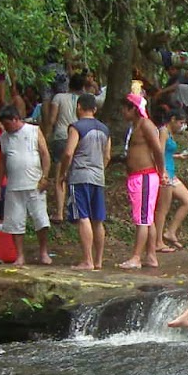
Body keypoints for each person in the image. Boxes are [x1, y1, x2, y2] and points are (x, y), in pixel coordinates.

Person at [62, 93, 111, 271]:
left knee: (83, 217)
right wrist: (99, 169)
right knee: (98, 219)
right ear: (95, 109)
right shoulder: (105, 129)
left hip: (80, 176)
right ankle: (98, 261)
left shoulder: (76, 127)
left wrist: (63, 172)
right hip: (98, 176)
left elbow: (68, 152)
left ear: (79, 107)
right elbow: (107, 155)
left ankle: (87, 260)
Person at [0, 106, 51, 265]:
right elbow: (2, 162)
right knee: (15, 221)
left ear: (15, 119)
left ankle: (43, 252)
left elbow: (45, 154)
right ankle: (19, 255)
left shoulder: (33, 130)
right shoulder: (4, 137)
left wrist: (45, 177)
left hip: (34, 183)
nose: (5, 128)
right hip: (14, 185)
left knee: (40, 219)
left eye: (7, 124)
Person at [120, 95, 165, 270]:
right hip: (138, 177)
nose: (123, 112)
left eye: (125, 109)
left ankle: (136, 257)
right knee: (147, 218)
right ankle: (151, 256)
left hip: (145, 176)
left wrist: (161, 173)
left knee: (143, 220)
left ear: (133, 109)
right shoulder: (134, 126)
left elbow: (157, 150)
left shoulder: (145, 124)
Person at [44, 73, 85, 223]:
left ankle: (60, 213)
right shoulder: (84, 100)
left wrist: (48, 133)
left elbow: (52, 119)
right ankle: (75, 211)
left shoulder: (59, 97)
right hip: (78, 137)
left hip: (61, 136)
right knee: (74, 174)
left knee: (60, 175)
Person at [154, 117, 188, 252]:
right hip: (165, 173)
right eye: (180, 122)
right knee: (162, 209)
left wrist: (178, 156)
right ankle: (158, 242)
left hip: (172, 173)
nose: (182, 125)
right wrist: (163, 172)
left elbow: (166, 153)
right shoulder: (163, 131)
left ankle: (170, 232)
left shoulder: (170, 133)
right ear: (172, 119)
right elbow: (159, 152)